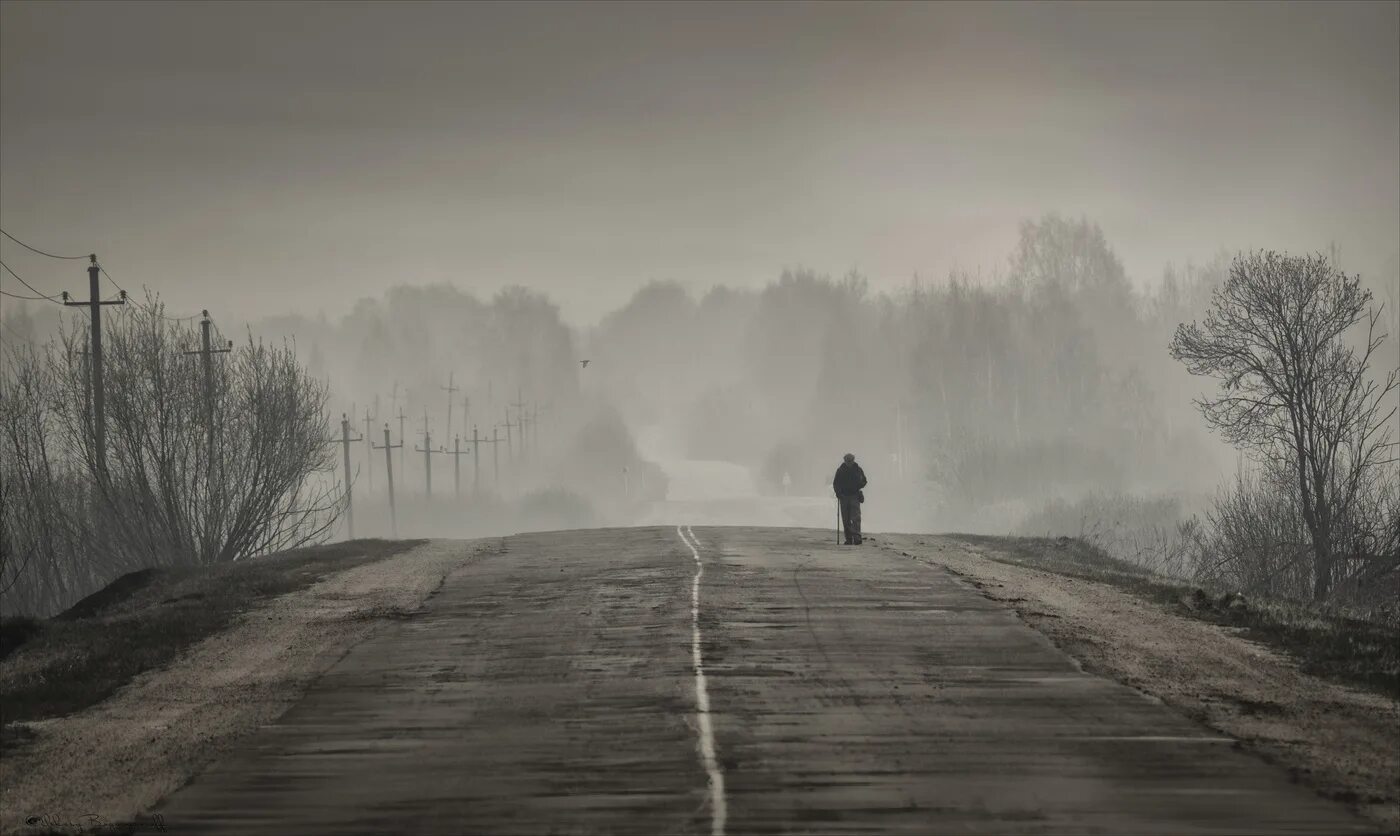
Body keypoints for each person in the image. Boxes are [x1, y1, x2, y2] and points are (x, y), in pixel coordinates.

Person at [832, 453, 867, 545]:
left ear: (853, 460)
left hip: (854, 496)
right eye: (847, 461)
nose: (849, 463)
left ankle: (857, 538)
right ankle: (849, 539)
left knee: (856, 518)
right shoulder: (840, 470)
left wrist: (858, 486)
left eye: (850, 461)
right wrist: (838, 493)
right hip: (844, 497)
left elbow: (864, 481)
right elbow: (836, 483)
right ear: (845, 460)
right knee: (846, 519)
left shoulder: (858, 470)